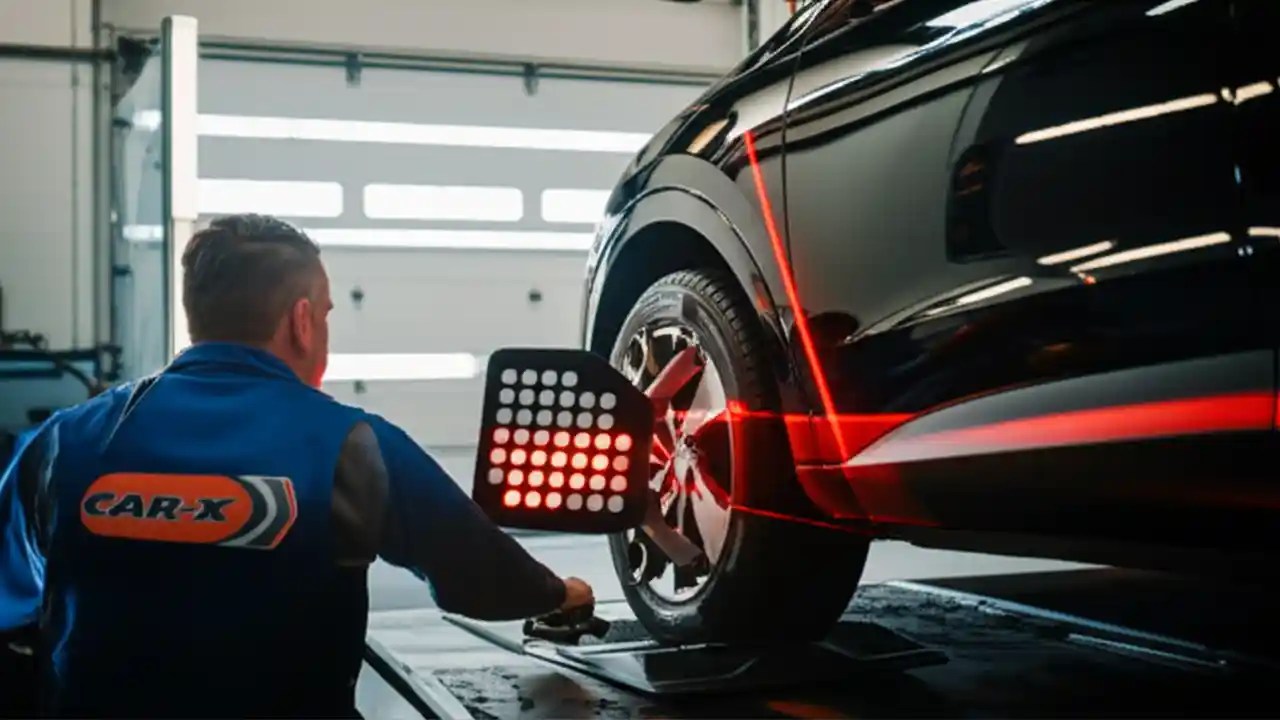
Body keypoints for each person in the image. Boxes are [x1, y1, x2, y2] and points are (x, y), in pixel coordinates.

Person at [0, 213, 594, 718]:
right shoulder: (352, 444)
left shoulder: (64, 442)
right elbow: (481, 579)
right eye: (328, 315)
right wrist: (559, 593)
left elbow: (11, 600)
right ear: (302, 320)